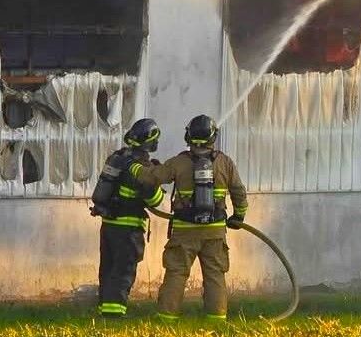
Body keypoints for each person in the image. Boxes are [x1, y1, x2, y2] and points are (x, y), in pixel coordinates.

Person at [132, 114, 248, 321]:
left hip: (184, 231)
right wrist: (238, 216)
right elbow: (239, 192)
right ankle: (216, 318)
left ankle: (167, 317)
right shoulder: (225, 162)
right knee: (215, 274)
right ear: (213, 137)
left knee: (176, 273)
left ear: (188, 136)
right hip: (215, 231)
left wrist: (133, 165)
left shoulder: (179, 162)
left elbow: (152, 177)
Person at [89, 117, 165, 318]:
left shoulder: (118, 158)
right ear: (150, 142)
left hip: (109, 224)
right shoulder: (139, 167)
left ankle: (104, 309)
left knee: (108, 268)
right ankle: (114, 314)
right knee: (123, 271)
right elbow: (154, 200)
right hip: (128, 228)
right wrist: (156, 180)